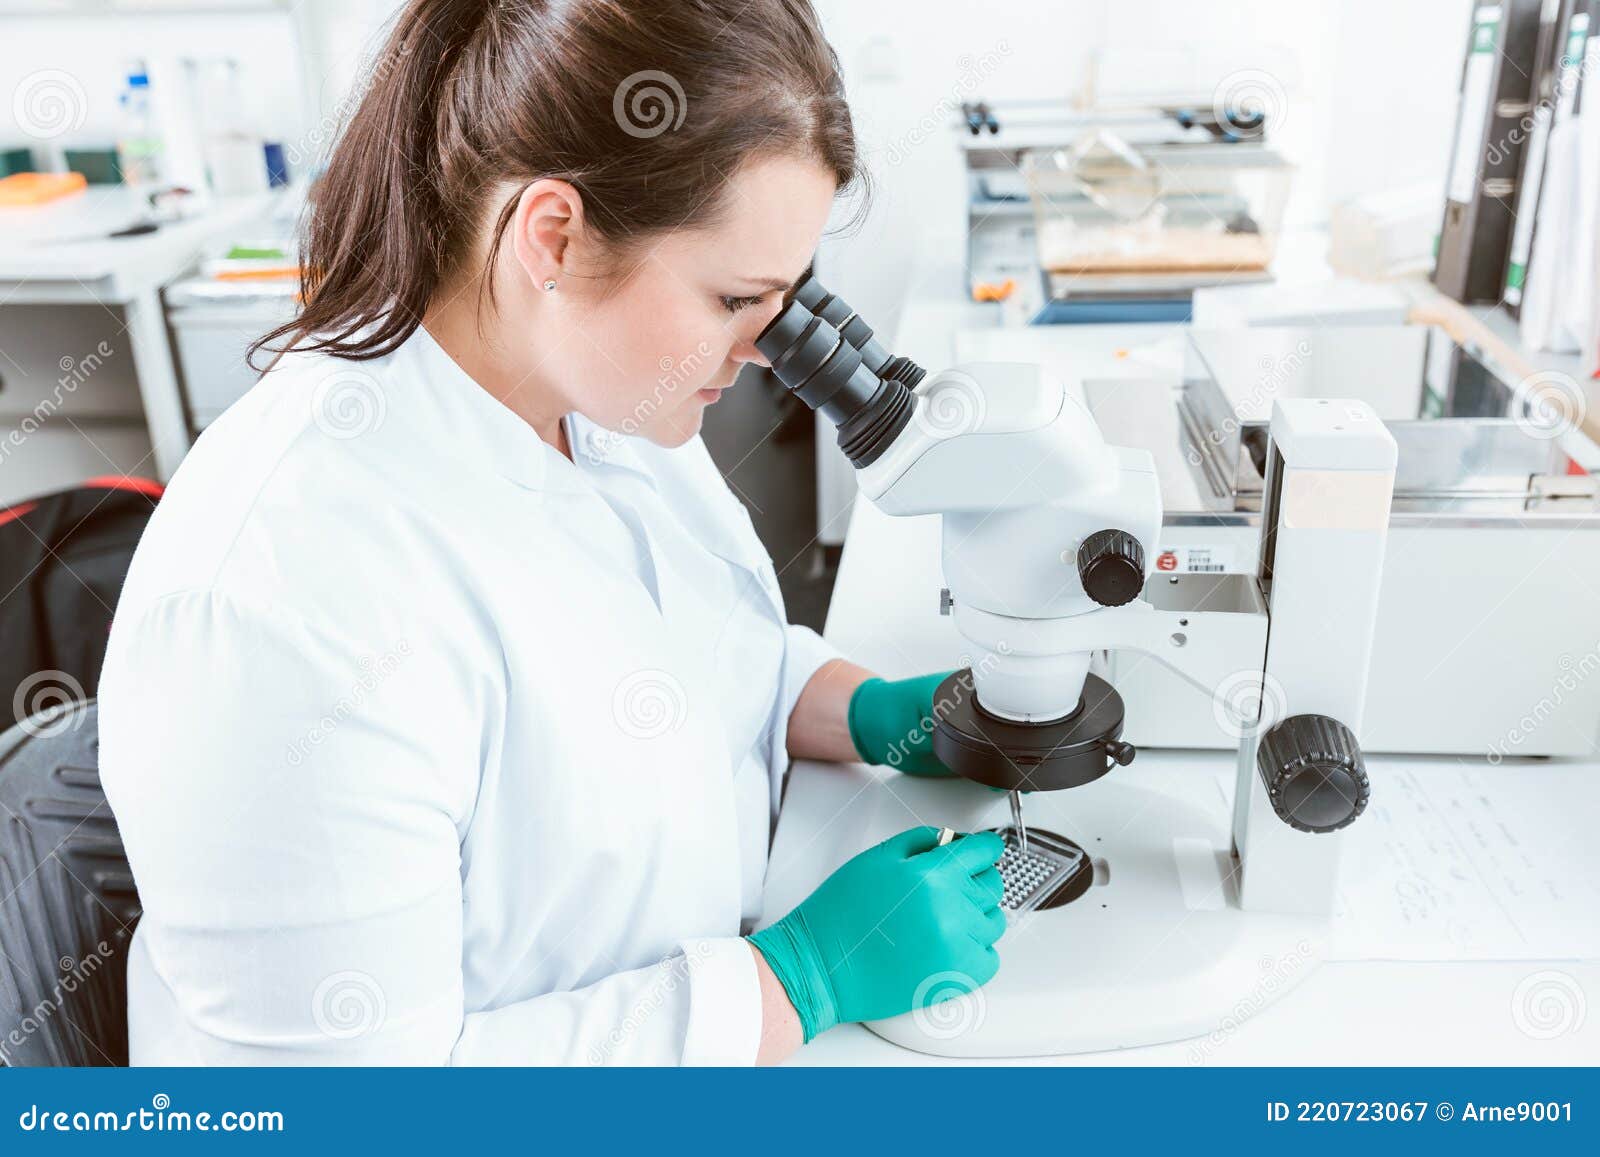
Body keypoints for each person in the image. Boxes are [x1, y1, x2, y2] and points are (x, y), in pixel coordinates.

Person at [98, 0, 1004, 1065]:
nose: (764, 349)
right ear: (555, 237)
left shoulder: (604, 396)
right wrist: (794, 981)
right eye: (733, 298)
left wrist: (872, 712)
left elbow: (686, 658)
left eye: (782, 301)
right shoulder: (277, 602)